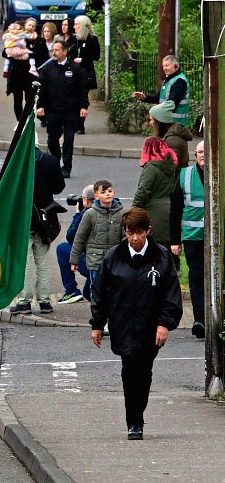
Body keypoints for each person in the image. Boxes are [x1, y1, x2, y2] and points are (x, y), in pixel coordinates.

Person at [90, 207, 182, 440]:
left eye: (139, 233)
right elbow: (99, 292)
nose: (134, 238)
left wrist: (164, 324)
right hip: (123, 325)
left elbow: (171, 293)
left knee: (144, 372)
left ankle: (137, 414)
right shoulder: (114, 257)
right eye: (130, 233)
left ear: (147, 230)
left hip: (150, 327)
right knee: (129, 371)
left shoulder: (161, 257)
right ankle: (134, 422)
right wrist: (97, 324)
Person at [10, 147, 66, 315]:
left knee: (26, 262)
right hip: (45, 218)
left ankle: (25, 301)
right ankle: (44, 301)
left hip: (23, 219)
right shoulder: (50, 160)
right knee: (43, 262)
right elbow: (59, 187)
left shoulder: (18, 162)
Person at [36, 40, 88, 178]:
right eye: (53, 50)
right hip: (53, 110)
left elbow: (82, 89)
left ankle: (66, 167)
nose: (54, 52)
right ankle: (55, 161)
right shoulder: (48, 68)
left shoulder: (75, 68)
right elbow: (41, 88)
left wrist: (84, 106)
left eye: (57, 50)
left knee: (68, 139)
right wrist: (40, 106)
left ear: (65, 52)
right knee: (52, 140)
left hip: (70, 110)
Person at [170, 140, 205, 338]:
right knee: (196, 276)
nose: (202, 155)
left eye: (205, 151)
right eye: (199, 152)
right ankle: (200, 319)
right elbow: (175, 210)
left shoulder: (219, 172)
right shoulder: (185, 175)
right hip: (193, 238)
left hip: (216, 238)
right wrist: (175, 241)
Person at [70, 180, 124, 295]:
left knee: (114, 291)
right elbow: (80, 238)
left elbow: (125, 236)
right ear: (96, 196)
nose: (107, 194)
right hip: (95, 261)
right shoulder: (90, 214)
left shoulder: (121, 214)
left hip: (115, 260)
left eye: (110, 191)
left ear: (114, 192)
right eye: (103, 192)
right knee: (96, 291)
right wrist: (74, 260)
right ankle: (97, 307)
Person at [132, 137, 178, 247]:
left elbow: (143, 190)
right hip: (167, 208)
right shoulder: (169, 166)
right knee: (166, 247)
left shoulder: (151, 168)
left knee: (152, 246)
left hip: (152, 211)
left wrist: (135, 208)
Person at [57, 185, 94, 304]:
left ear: (86, 200)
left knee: (62, 248)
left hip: (93, 263)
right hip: (111, 263)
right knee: (88, 293)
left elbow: (71, 237)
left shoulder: (87, 214)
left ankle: (71, 291)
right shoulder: (115, 210)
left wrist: (78, 214)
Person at [131, 54, 191, 127]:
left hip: (176, 123)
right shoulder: (169, 80)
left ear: (176, 66)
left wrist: (153, 111)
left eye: (167, 65)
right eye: (163, 66)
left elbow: (172, 103)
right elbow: (158, 98)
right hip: (168, 121)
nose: (164, 68)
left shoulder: (180, 81)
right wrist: (143, 97)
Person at [147, 101, 192, 175]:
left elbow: (170, 169)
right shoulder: (168, 136)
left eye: (152, 119)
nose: (151, 123)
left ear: (159, 121)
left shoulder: (172, 141)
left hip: (175, 181)